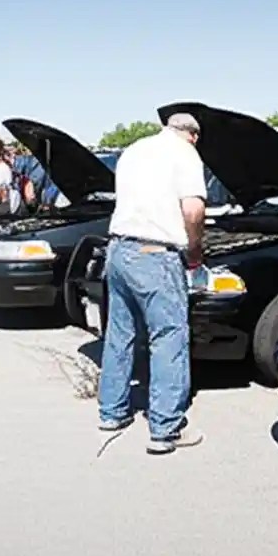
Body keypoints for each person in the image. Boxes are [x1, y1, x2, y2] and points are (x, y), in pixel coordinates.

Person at [97, 112, 207, 454]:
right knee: (169, 336)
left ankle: (112, 413)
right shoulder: (186, 153)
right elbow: (193, 211)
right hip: (155, 254)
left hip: (118, 249)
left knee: (119, 334)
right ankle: (166, 428)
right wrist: (195, 252)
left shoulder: (133, 151)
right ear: (192, 135)